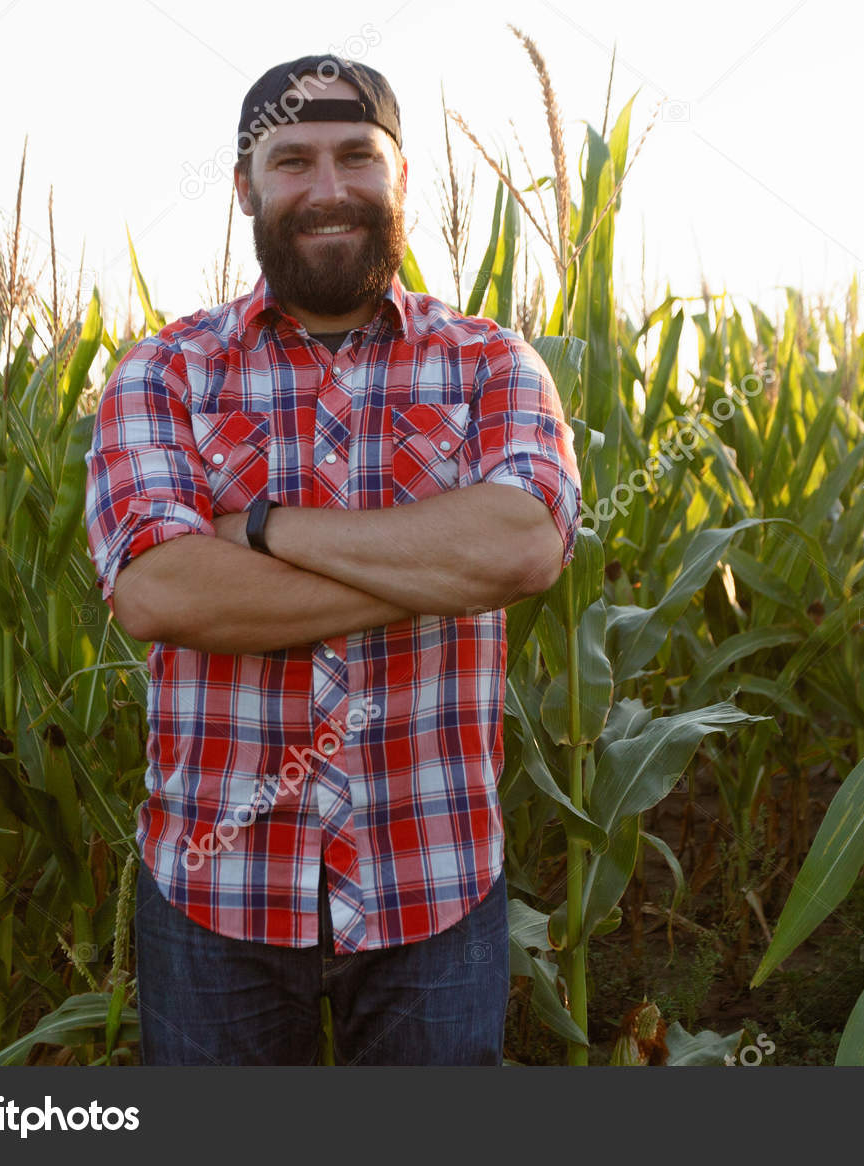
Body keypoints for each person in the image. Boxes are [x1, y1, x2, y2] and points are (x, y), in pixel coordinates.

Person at [82, 52, 581, 1066]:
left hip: (430, 879)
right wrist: (434, 562)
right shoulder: (166, 372)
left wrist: (262, 528)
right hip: (216, 891)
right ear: (244, 187)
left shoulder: (492, 364)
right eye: (292, 160)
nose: (328, 188)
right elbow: (158, 587)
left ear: (401, 179)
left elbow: (523, 545)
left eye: (357, 156)